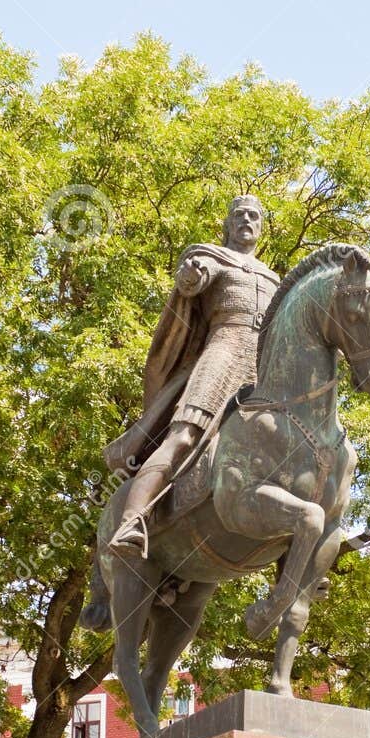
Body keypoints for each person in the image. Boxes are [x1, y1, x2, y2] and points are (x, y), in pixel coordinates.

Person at [105, 196, 280, 555]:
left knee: (285, 449)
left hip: (261, 370)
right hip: (221, 355)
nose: (246, 220)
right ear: (228, 224)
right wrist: (191, 274)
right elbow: (191, 283)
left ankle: (291, 558)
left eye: (254, 216)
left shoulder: (273, 278)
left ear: (261, 227)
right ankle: (131, 522)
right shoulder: (212, 257)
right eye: (239, 215)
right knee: (183, 435)